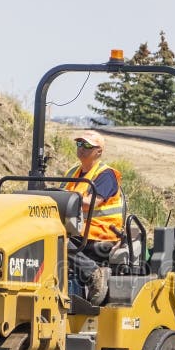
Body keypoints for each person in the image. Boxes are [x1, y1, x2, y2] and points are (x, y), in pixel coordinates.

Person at [62, 130, 123, 305]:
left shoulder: (107, 175)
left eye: (87, 145)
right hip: (77, 228)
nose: (81, 148)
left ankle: (93, 273)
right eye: (79, 144)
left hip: (101, 231)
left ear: (99, 151)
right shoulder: (72, 172)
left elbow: (90, 203)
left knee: (57, 240)